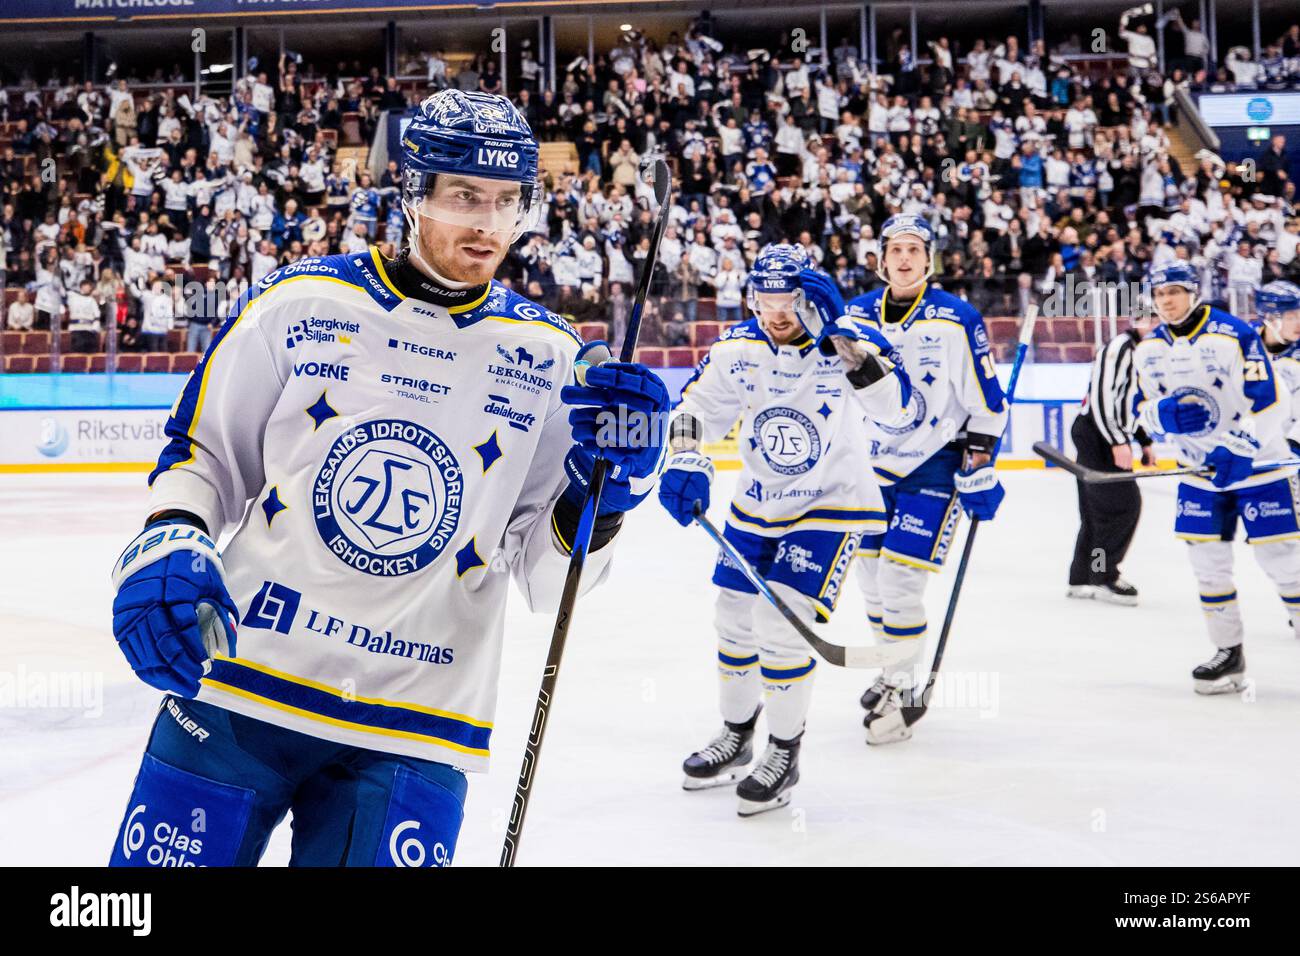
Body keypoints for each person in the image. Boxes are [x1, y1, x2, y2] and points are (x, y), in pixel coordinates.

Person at [107, 90, 669, 867]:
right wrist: (170, 537)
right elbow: (202, 454)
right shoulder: (300, 301)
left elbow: (546, 575)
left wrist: (603, 497)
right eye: (465, 196)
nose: (488, 225)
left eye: (509, 203)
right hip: (241, 683)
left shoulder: (552, 358)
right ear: (411, 194)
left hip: (420, 720)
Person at [658, 243, 912, 816]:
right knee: (731, 616)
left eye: (789, 301)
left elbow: (899, 412)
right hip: (757, 504)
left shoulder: (852, 338)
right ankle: (738, 735)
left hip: (832, 505)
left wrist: (845, 341)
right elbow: (695, 409)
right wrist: (687, 457)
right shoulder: (738, 348)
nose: (775, 313)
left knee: (780, 622)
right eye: (764, 300)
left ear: (812, 297)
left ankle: (784, 751)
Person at [844, 214, 1009, 744]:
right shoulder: (856, 315)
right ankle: (892, 668)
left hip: (933, 462)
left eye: (915, 249)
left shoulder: (956, 318)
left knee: (899, 581)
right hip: (868, 465)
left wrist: (981, 459)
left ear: (929, 259)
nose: (906, 258)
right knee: (869, 579)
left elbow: (986, 400)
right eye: (896, 249)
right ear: (881, 258)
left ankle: (904, 682)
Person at [1133, 264, 1300, 695]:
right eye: (1159, 293)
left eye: (1174, 291)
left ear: (1193, 292)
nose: (1166, 300)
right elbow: (1143, 409)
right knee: (1209, 572)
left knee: (1286, 564)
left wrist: (1241, 447)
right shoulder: (1148, 350)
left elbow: (1272, 402)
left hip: (1259, 469)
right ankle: (1229, 656)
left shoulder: (1233, 334)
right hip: (1201, 476)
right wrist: (1160, 417)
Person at [1067, 314, 1158, 604]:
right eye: (1151, 319)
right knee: (1122, 507)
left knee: (1097, 512)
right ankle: (1103, 575)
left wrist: (1143, 441)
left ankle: (1084, 576)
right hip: (1098, 435)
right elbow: (1103, 399)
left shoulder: (1144, 352)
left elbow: (1130, 404)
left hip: (1103, 434)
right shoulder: (1120, 348)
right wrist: (1118, 441)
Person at [1254, 281, 1300, 454]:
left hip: (1292, 448)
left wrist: (1294, 444)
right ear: (1269, 318)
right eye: (1291, 317)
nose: (1299, 323)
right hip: (1257, 446)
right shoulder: (1243, 345)